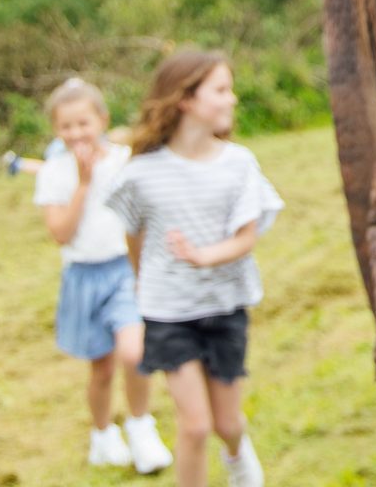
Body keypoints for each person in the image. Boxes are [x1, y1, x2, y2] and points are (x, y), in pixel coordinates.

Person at [104, 51, 284, 487]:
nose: (232, 99)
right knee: (196, 425)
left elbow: (246, 238)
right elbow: (133, 237)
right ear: (185, 100)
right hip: (169, 313)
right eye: (220, 90)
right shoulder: (141, 174)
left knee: (228, 423)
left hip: (225, 308)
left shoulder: (239, 164)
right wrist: (144, 286)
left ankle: (237, 454)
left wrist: (204, 256)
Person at [32, 77, 173, 474]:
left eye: (84, 123)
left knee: (134, 352)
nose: (76, 133)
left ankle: (141, 427)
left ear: (102, 121)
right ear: (56, 130)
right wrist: (83, 183)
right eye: (66, 126)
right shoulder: (53, 173)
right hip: (82, 277)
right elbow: (61, 233)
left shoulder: (125, 161)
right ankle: (102, 436)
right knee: (102, 368)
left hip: (124, 270)